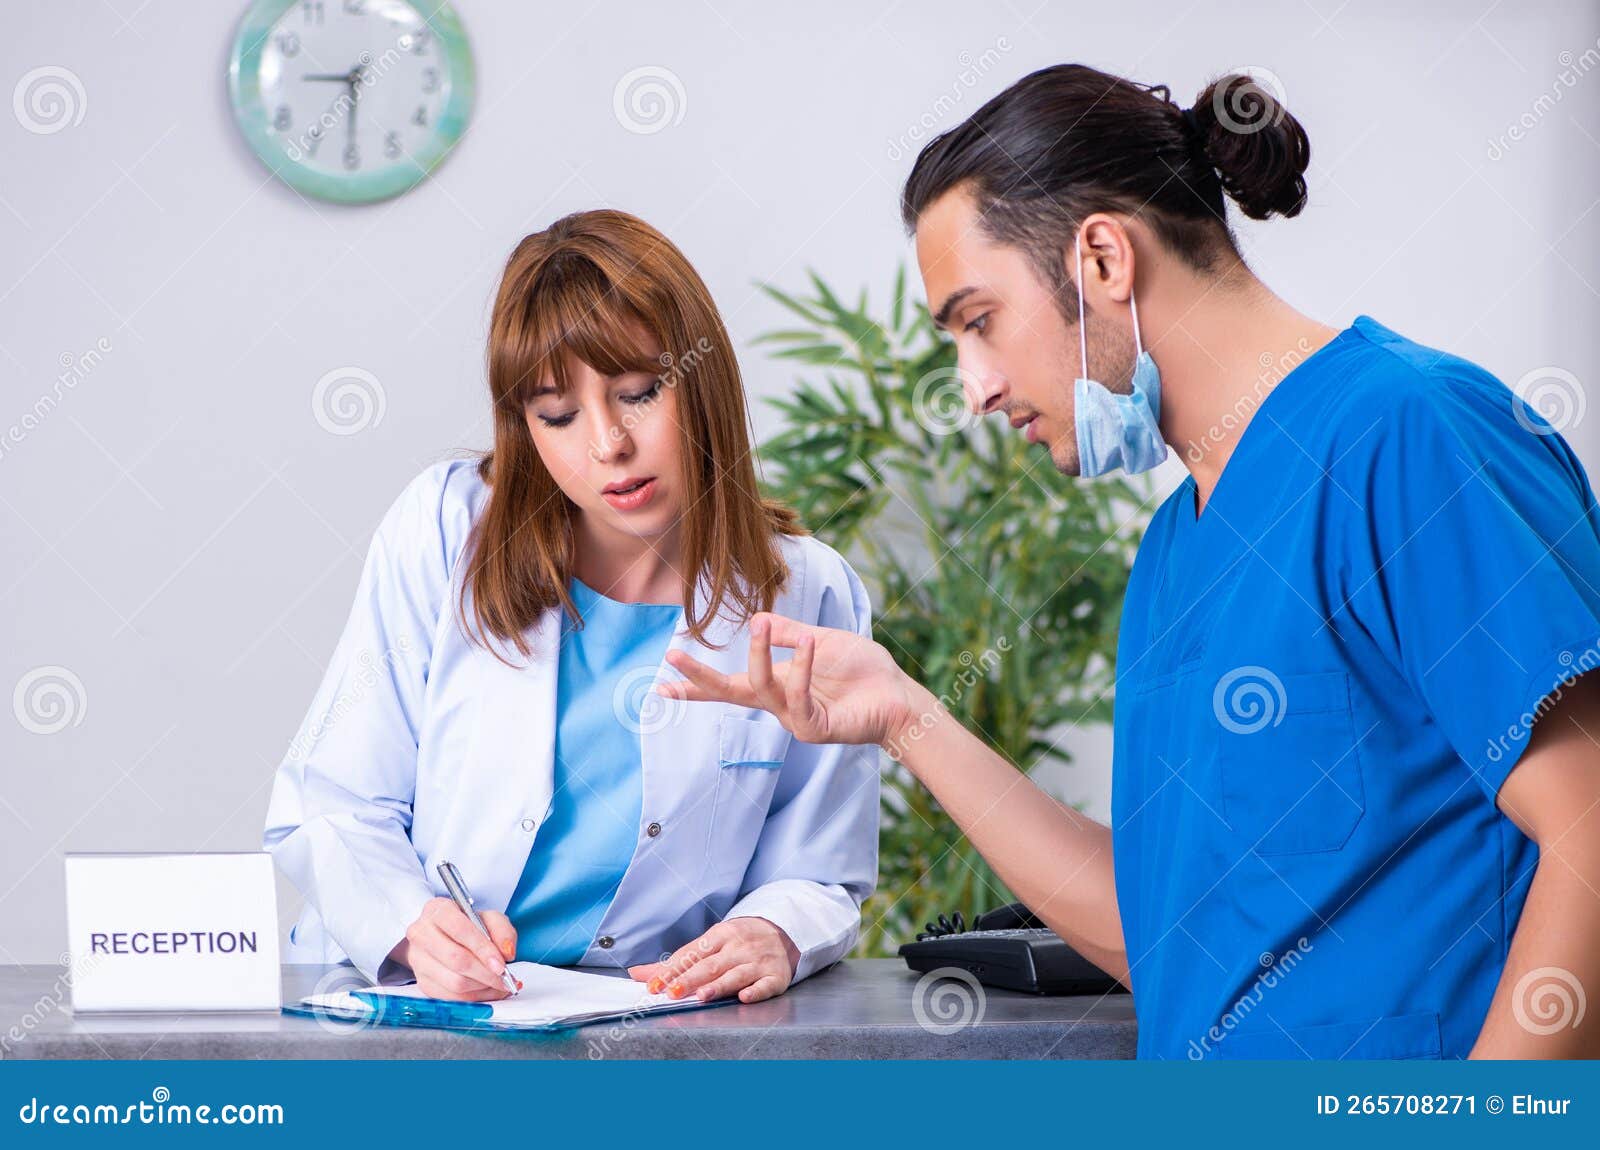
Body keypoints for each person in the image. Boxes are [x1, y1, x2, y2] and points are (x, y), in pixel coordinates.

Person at [657, 65, 1600, 1058]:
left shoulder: (1407, 436)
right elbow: (1158, 931)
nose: (973, 389)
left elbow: (1587, 823)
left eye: (979, 322)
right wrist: (904, 714)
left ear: (1102, 257)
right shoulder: (1173, 551)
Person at [264, 209, 877, 1006]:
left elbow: (816, 866)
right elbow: (332, 796)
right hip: (427, 1009)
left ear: (706, 383)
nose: (607, 444)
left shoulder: (807, 591)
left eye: (640, 393)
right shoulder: (446, 532)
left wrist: (778, 929)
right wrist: (412, 924)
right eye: (557, 415)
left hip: (644, 1022)